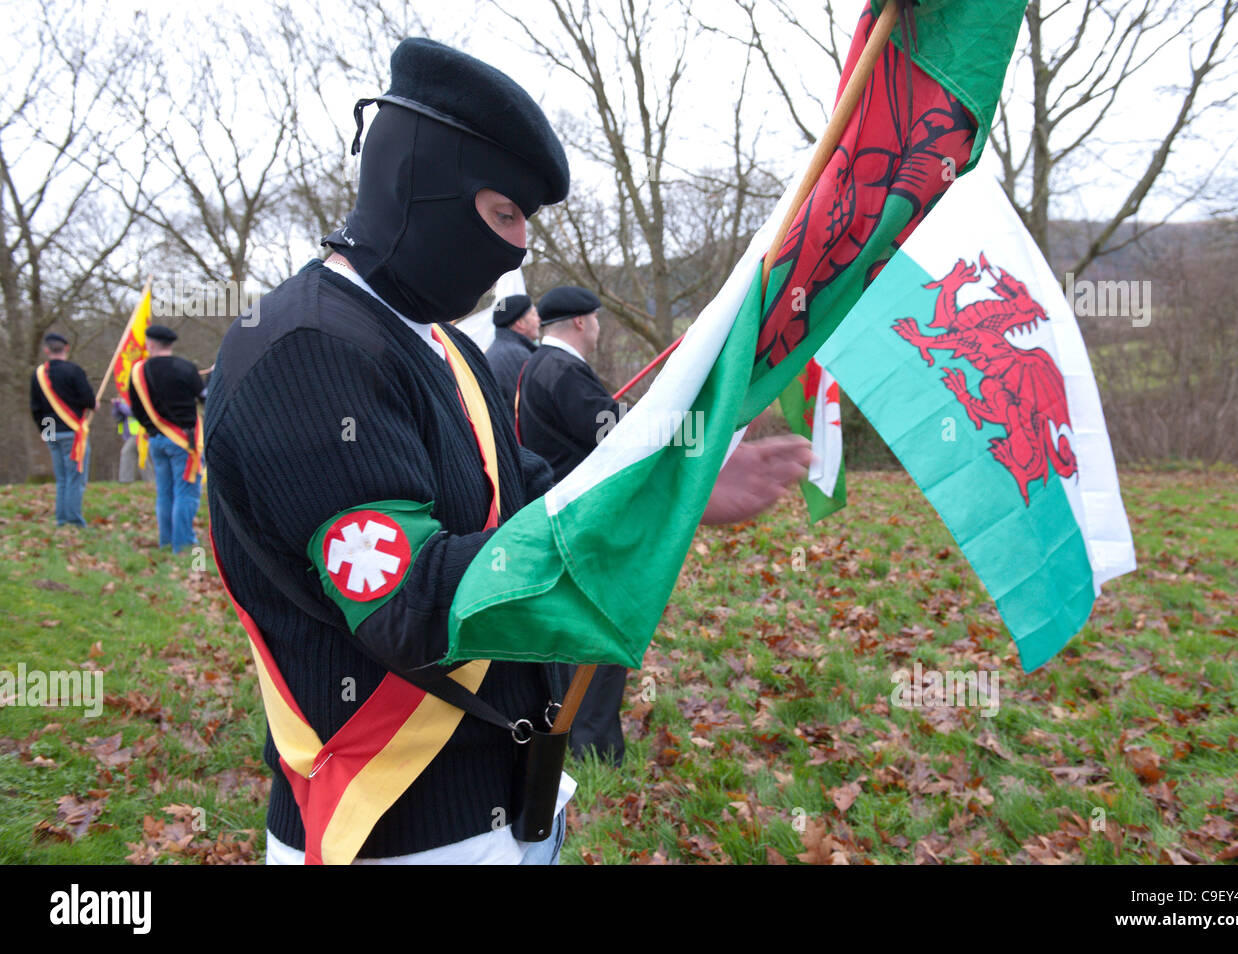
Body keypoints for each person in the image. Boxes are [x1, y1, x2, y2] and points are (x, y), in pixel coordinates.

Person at [204, 38, 809, 866]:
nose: (520, 249)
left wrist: (680, 484)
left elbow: (532, 494)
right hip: (396, 829)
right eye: (503, 215)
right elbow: (410, 604)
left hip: (515, 795)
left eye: (527, 222)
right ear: (420, 183)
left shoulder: (442, 346)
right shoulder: (310, 349)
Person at [515, 286, 636, 763]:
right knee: (599, 630)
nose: (600, 327)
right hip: (583, 516)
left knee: (575, 630)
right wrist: (680, 421)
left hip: (560, 512)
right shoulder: (562, 370)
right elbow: (615, 430)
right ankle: (595, 749)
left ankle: (573, 734)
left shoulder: (538, 365)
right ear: (582, 322)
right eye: (598, 319)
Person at [128, 325, 205, 553]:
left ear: (150, 344)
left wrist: (151, 427)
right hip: (184, 440)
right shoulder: (186, 368)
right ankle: (183, 544)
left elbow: (136, 408)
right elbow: (203, 397)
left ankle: (166, 541)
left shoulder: (137, 372)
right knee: (186, 492)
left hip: (155, 439)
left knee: (165, 492)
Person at [30, 332, 96, 527]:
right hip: (72, 430)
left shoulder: (38, 374)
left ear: (46, 350)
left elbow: (35, 407)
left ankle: (61, 519)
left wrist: (44, 431)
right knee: (75, 478)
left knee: (62, 479)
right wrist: (94, 404)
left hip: (50, 429)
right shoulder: (74, 371)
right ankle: (73, 521)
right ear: (66, 348)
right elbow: (88, 401)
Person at [484, 293, 539, 403]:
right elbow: (531, 405)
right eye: (534, 314)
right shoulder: (518, 356)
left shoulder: (497, 351)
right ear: (520, 323)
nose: (539, 319)